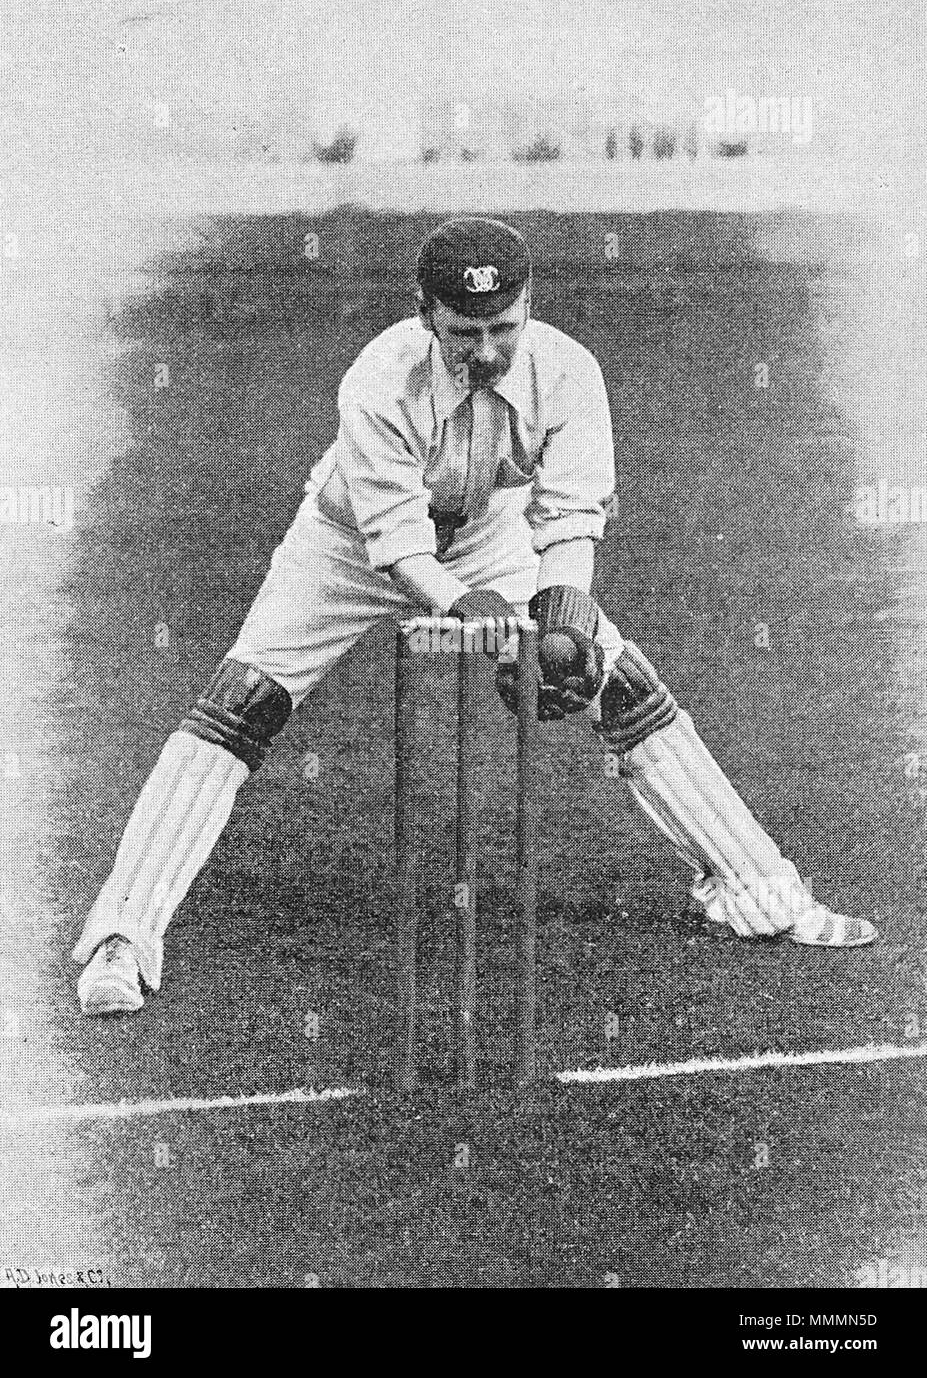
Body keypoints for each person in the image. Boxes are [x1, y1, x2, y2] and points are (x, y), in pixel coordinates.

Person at [74, 216, 875, 1015]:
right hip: (348, 546)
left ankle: (761, 893)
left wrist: (560, 624)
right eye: (464, 331)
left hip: (491, 534)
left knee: (621, 685)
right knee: (239, 705)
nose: (486, 350)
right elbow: (396, 543)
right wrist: (471, 612)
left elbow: (567, 519)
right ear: (424, 313)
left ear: (528, 308)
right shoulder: (379, 377)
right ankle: (122, 938)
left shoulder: (568, 371)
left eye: (504, 327)